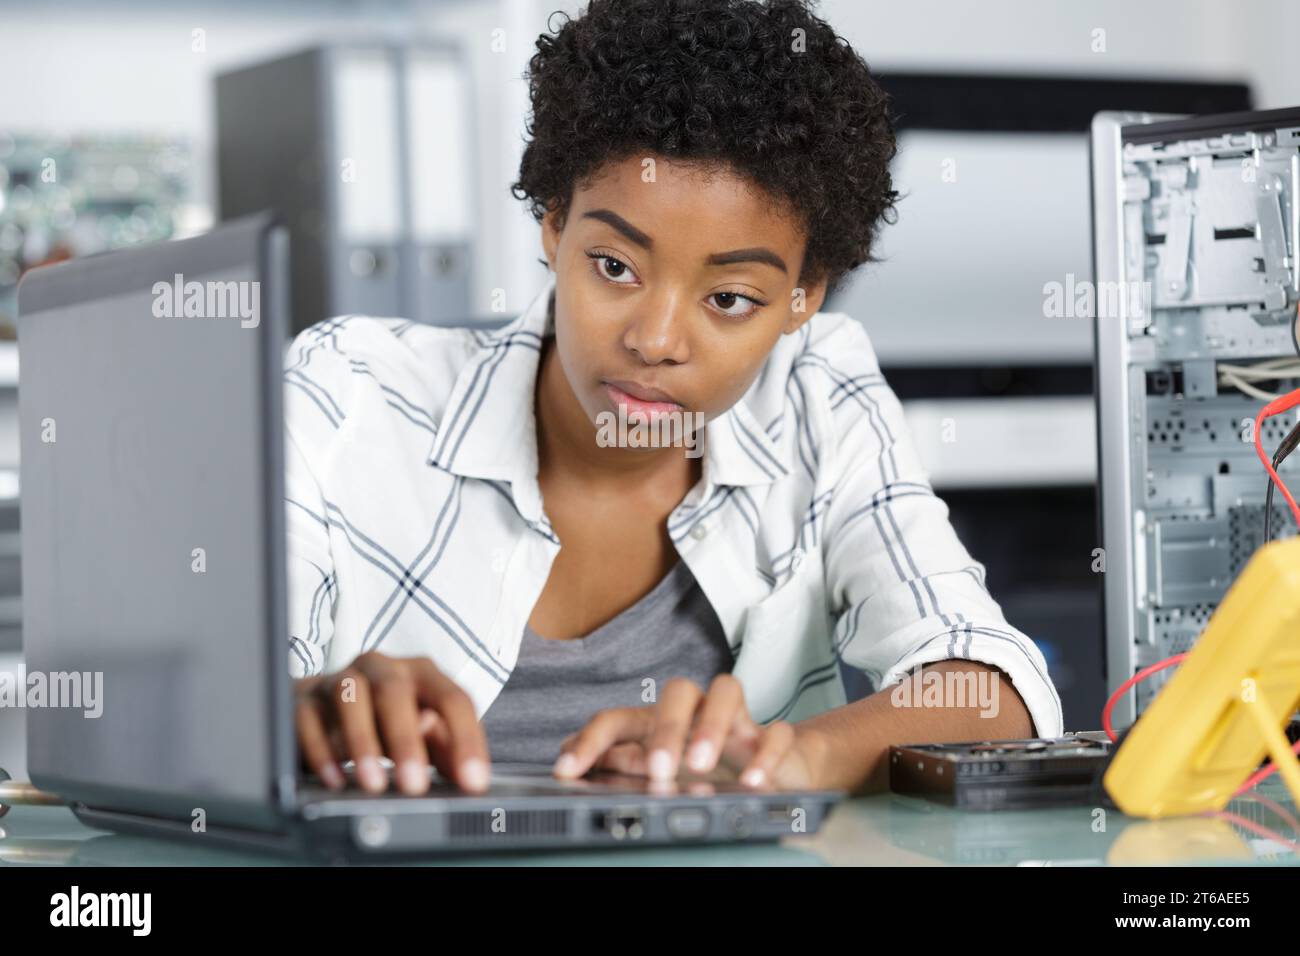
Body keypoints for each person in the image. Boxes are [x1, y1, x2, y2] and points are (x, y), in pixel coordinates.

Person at [286, 0, 1063, 799]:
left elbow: (991, 683)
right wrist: (297, 707)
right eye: (615, 266)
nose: (655, 339)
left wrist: (788, 759)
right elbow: (204, 696)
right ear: (554, 225)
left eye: (729, 298)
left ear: (804, 297)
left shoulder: (819, 394)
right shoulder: (348, 391)